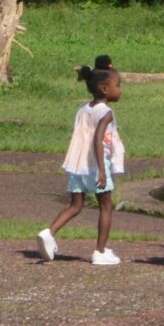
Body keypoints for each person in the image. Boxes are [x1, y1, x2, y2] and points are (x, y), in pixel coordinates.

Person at [38, 55, 125, 265]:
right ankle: (100, 251)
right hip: (95, 167)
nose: (120, 89)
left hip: (78, 166)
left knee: (76, 206)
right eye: (118, 85)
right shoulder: (106, 113)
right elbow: (97, 139)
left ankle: (49, 232)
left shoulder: (83, 109)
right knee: (106, 206)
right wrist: (103, 171)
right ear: (105, 89)